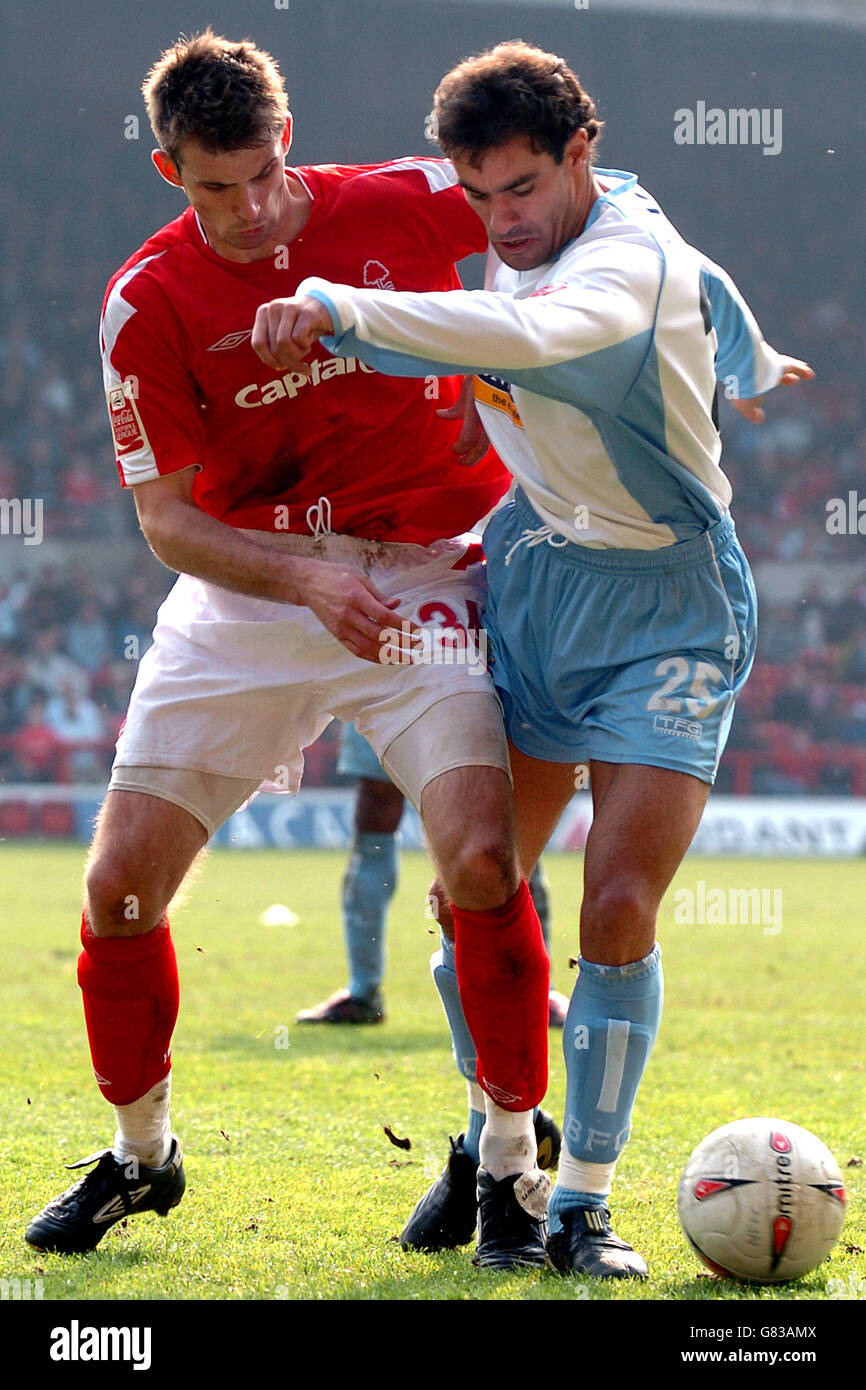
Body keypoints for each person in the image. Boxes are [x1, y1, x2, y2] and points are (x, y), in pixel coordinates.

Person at [249, 39, 814, 1277]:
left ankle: (581, 1203)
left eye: (519, 191)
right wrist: (749, 359)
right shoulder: (584, 230)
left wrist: (340, 308)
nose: (498, 223)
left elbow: (567, 328)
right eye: (477, 196)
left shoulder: (618, 266)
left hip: (666, 600)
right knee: (473, 882)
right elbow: (703, 287)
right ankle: (492, 1142)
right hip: (531, 577)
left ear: (579, 155)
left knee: (614, 905)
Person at [24, 31, 560, 1271]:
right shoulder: (146, 304)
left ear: (288, 141)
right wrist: (306, 580)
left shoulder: (410, 202)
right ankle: (140, 1156)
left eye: (267, 173)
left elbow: (577, 197)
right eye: (219, 188)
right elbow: (166, 522)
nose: (255, 209)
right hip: (258, 592)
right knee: (117, 894)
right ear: (170, 172)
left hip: (432, 568)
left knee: (482, 861)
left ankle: (509, 1169)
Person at [296, 721, 569, 1027]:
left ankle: (538, 992)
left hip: (475, 681)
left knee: (502, 808)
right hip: (379, 679)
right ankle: (362, 993)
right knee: (376, 799)